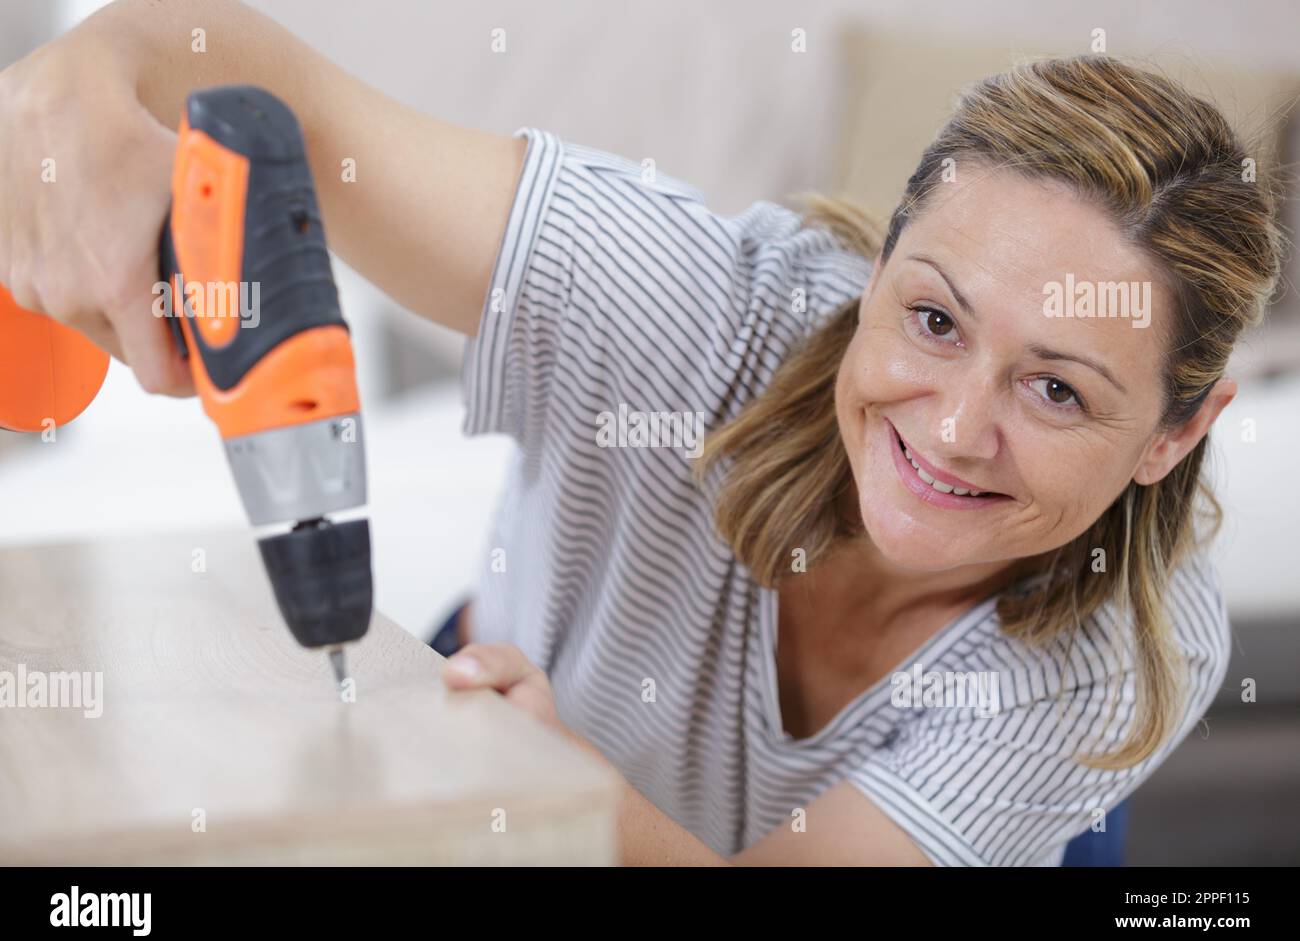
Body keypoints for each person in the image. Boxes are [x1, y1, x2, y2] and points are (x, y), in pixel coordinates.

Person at [1, 0, 1284, 865]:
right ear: (875, 273)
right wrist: (85, 77)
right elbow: (248, 80)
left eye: (1056, 390)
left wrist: (575, 798)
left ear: (1175, 436)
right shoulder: (678, 303)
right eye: (934, 318)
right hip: (526, 684)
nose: (951, 430)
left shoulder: (1124, 641)